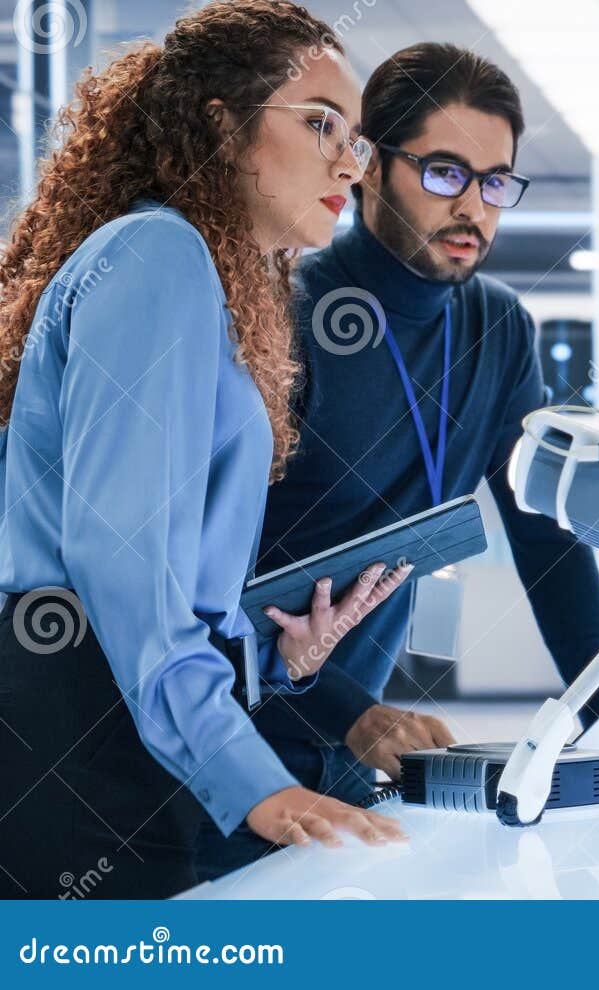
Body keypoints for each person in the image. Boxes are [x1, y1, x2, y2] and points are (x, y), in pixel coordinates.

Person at [192, 43, 599, 881]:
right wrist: (353, 713)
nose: (474, 206)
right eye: (444, 173)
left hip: (349, 742)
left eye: (495, 181)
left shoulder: (499, 328)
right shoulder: (281, 315)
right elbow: (203, 579)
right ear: (369, 166)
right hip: (216, 733)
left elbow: (543, 534)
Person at [0, 1, 410, 899]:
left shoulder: (207, 278)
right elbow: (119, 559)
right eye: (319, 124)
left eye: (359, 140)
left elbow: (166, 583)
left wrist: (272, 658)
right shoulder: (158, 253)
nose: (350, 161)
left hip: (110, 712)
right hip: (76, 727)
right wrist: (250, 777)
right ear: (218, 124)